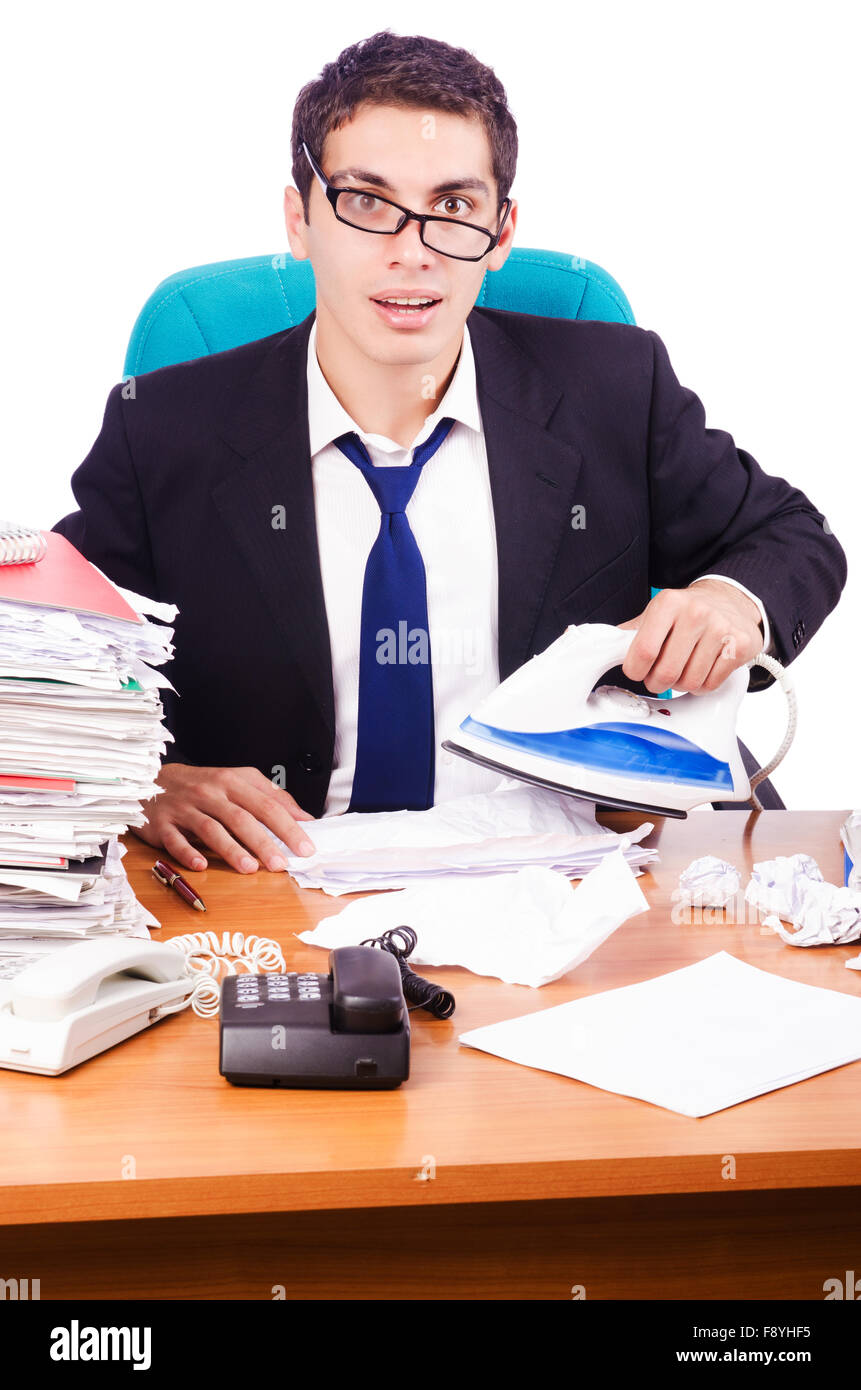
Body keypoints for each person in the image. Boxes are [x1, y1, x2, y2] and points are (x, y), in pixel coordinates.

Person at [53, 30, 847, 874]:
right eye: (364, 201)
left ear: (501, 233)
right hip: (279, 879)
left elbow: (794, 536)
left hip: (571, 870)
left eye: (454, 207)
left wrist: (729, 602)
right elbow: (47, 665)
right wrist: (141, 780)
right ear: (300, 221)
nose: (412, 249)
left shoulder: (611, 388)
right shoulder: (167, 428)